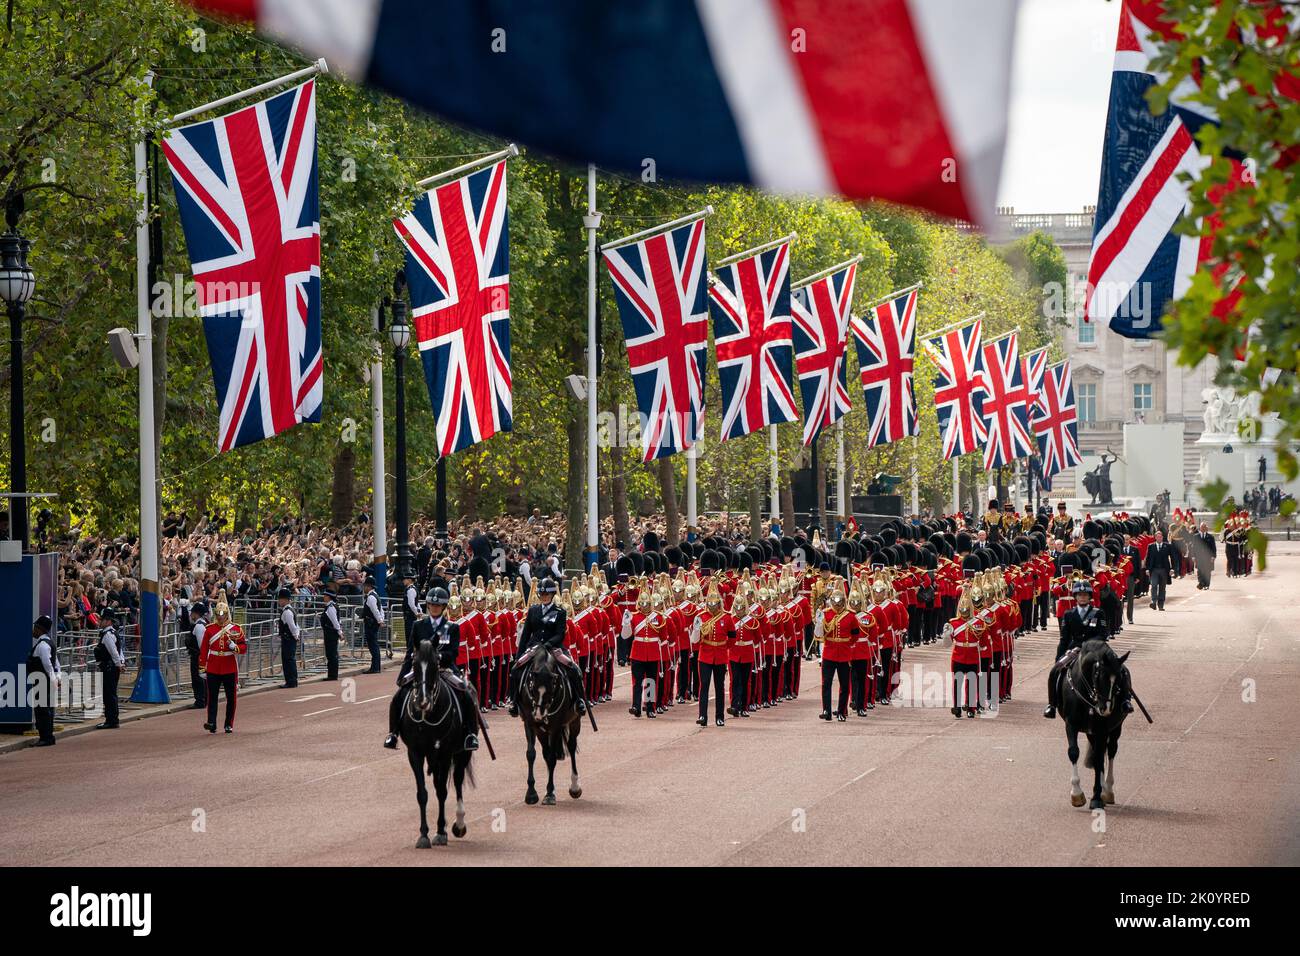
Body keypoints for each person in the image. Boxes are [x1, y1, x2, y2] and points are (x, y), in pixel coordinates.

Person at [384, 587, 478, 751]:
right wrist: (402, 675)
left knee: (466, 693)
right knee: (398, 696)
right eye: (431, 605)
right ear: (427, 605)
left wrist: (439, 657)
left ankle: (470, 734)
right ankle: (393, 733)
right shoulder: (418, 625)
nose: (434, 607)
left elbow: (454, 652)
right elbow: (410, 652)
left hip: (444, 669)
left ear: (443, 607)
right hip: (421, 669)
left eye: (438, 605)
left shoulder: (452, 627)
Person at [508, 577, 586, 716]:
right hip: (535, 647)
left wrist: (548, 644)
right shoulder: (533, 610)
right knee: (515, 669)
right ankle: (514, 701)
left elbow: (560, 634)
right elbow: (526, 634)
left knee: (574, 669)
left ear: (552, 595)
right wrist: (519, 656)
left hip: (553, 647)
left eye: (547, 595)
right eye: (542, 595)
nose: (544, 597)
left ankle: (578, 700)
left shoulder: (560, 612)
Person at [1043, 578, 1116, 719]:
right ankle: (1052, 705)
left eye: (1085, 595)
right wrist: (1058, 658)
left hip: (1095, 649)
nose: (1082, 597)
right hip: (1074, 650)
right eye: (1079, 595)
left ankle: (1125, 700)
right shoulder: (1068, 614)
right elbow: (1064, 639)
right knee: (1054, 671)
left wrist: (1087, 645)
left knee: (1118, 668)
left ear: (1089, 596)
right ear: (1075, 596)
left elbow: (1103, 634)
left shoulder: (1098, 613)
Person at [200, 591, 247, 733]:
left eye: (223, 614)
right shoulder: (210, 629)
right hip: (213, 666)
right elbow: (203, 649)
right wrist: (202, 667)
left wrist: (236, 647)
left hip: (229, 666)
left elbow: (244, 647)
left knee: (231, 698)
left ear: (226, 614)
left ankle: (228, 723)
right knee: (212, 697)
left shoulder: (236, 629)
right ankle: (212, 722)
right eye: (218, 614)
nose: (220, 617)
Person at [28, 615, 60, 746]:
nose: (33, 630)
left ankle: (45, 737)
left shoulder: (42, 645)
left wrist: (53, 679)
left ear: (39, 628)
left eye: (35, 627)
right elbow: (56, 663)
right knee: (47, 709)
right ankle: (47, 736)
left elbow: (48, 664)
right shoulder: (49, 642)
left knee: (42, 710)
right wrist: (57, 678)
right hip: (45, 681)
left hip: (42, 681)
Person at [93, 610, 127, 729]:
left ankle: (111, 720)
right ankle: (112, 719)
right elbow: (119, 651)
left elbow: (114, 652)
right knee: (111, 693)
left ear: (107, 621)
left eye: (101, 619)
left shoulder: (107, 635)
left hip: (109, 667)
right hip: (112, 667)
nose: (99, 621)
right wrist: (121, 663)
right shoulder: (113, 633)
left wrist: (119, 664)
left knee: (109, 694)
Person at [185, 601, 209, 710]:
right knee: (201, 678)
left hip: (198, 657)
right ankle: (203, 699)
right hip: (199, 656)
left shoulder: (199, 626)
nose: (191, 615)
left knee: (198, 678)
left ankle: (200, 700)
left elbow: (201, 644)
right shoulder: (203, 624)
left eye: (192, 613)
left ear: (196, 613)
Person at [1144, 530, 1175, 611]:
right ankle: (1153, 602)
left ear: (1162, 537)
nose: (1159, 538)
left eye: (1160, 537)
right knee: (1153, 585)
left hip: (1164, 570)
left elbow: (1173, 558)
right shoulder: (1151, 546)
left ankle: (1161, 605)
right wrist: (1147, 569)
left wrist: (1172, 569)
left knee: (1162, 588)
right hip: (1154, 570)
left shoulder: (1167, 546)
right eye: (1157, 537)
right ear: (1155, 538)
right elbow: (1148, 558)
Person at [361, 576, 384, 673]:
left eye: (365, 586)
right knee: (374, 645)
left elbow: (375, 610)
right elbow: (381, 609)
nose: (364, 588)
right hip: (374, 623)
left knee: (373, 645)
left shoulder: (370, 597)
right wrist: (381, 620)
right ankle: (376, 667)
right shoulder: (376, 595)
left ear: (369, 586)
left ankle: (375, 667)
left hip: (370, 623)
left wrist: (380, 620)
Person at [319, 588, 342, 680]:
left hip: (331, 633)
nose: (324, 597)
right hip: (331, 632)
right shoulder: (331, 606)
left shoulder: (331, 607)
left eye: (325, 595)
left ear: (329, 597)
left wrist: (340, 632)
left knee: (331, 654)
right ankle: (332, 674)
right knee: (331, 654)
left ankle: (332, 675)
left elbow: (335, 621)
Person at [1193, 521, 1217, 590]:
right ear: (1199, 528)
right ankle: (1201, 583)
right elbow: (1193, 547)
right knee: (1199, 571)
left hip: (1208, 557)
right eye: (1202, 527)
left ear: (1206, 528)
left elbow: (1213, 548)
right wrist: (1193, 556)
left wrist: (1213, 556)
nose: (1203, 528)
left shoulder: (1210, 537)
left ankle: (1206, 584)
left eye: (1204, 527)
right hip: (1199, 557)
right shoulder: (1195, 537)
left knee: (1207, 571)